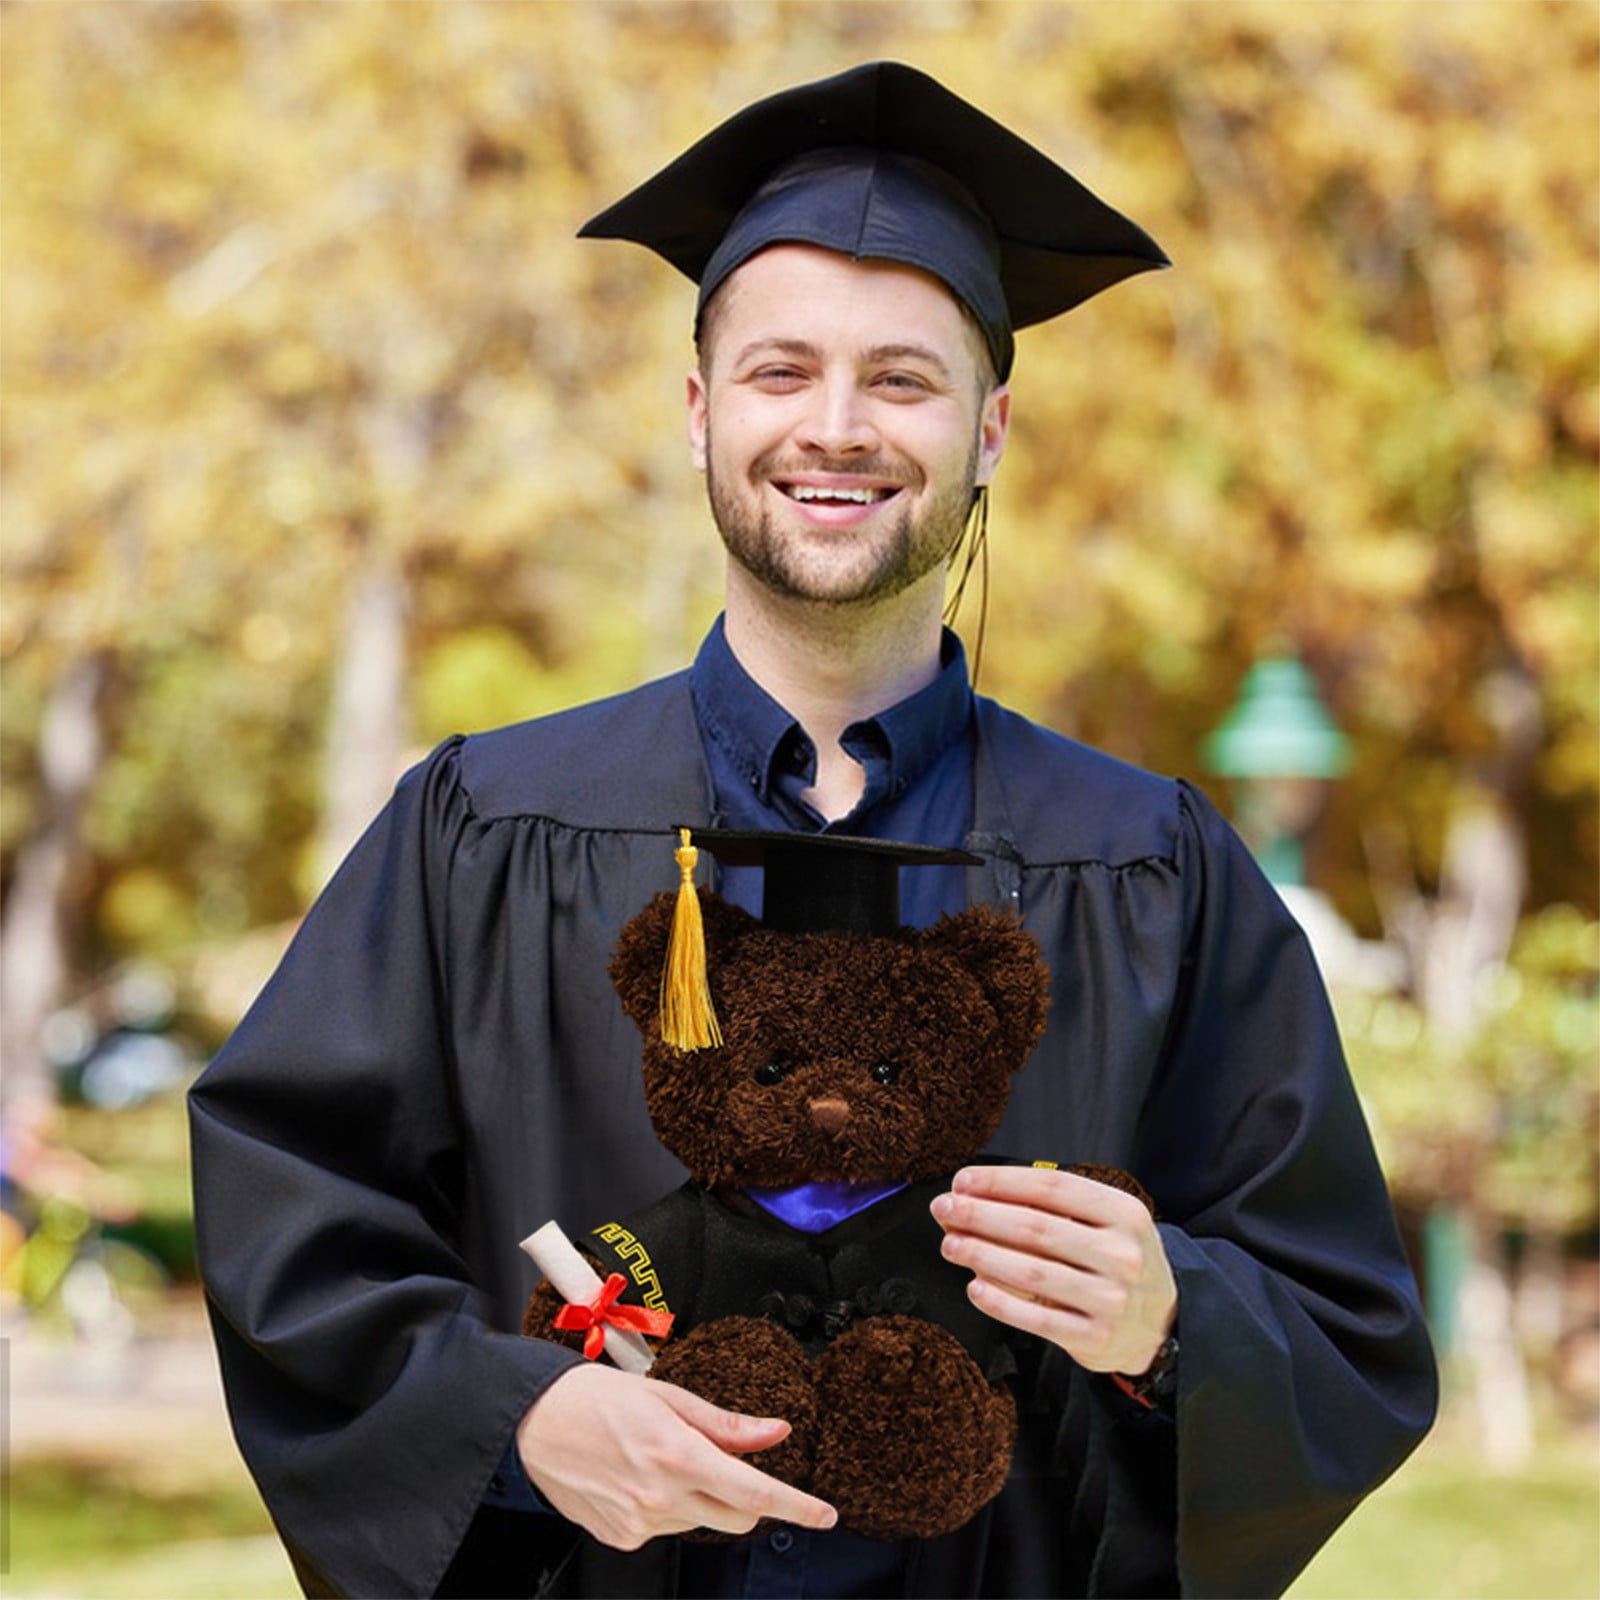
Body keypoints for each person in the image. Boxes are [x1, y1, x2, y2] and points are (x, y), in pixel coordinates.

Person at [189, 61, 1437, 1600]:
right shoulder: (489, 826)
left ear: (987, 429)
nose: (835, 428)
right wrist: (520, 1421)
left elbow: (1345, 1319)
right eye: (782, 373)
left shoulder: (1148, 868)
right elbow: (291, 1217)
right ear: (703, 411)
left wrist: (1175, 1325)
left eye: (901, 380)